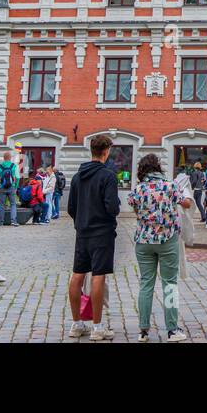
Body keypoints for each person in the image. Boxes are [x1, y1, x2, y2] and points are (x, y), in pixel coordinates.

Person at [127, 154, 187, 342]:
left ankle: (143, 330)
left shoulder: (138, 189)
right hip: (167, 239)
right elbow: (185, 202)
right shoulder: (170, 186)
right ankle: (172, 329)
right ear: (158, 167)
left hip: (144, 241)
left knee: (146, 284)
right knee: (170, 284)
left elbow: (135, 209)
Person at [67, 135, 120, 341]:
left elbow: (71, 207)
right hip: (102, 232)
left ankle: (77, 323)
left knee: (77, 274)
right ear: (106, 152)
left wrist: (82, 220)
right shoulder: (108, 176)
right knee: (99, 275)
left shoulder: (77, 176)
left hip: (82, 231)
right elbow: (112, 207)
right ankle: (97, 327)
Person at [0, 152, 20, 226]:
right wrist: (16, 187)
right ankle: (13, 221)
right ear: (10, 157)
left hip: (2, 187)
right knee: (13, 204)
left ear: (3, 158)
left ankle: (0, 222)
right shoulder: (14, 166)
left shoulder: (0, 166)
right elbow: (17, 177)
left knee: (1, 205)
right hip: (12, 187)